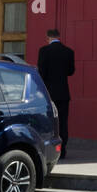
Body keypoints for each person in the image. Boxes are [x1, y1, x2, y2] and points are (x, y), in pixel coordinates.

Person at [37, 28, 75, 159]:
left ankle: (50, 151)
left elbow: (41, 73)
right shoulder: (69, 52)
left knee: (49, 122)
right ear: (59, 37)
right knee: (63, 122)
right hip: (64, 93)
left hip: (48, 94)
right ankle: (62, 151)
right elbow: (71, 71)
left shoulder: (44, 51)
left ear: (48, 38)